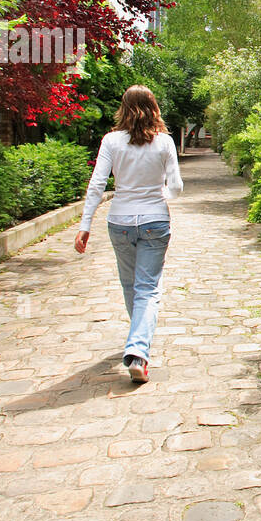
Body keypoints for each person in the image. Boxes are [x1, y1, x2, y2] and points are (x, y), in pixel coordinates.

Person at [74, 86, 184, 384]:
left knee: (130, 285)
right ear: (154, 108)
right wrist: (156, 195)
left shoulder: (111, 141)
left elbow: (97, 185)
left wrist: (85, 225)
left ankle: (137, 346)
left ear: (123, 108)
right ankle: (138, 352)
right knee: (147, 288)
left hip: (119, 222)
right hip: (155, 221)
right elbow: (176, 187)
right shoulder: (164, 142)